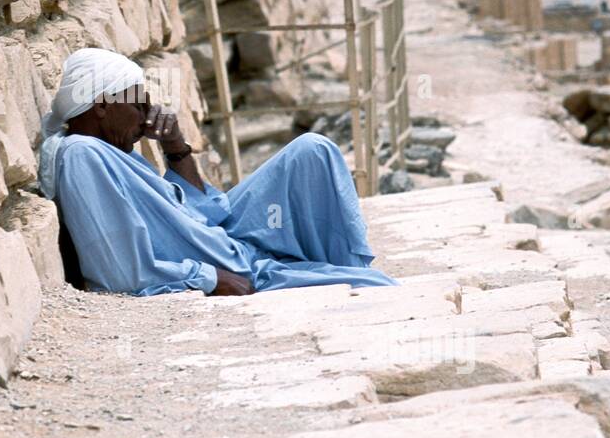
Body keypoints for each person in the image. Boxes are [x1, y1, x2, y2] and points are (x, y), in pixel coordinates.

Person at [38, 47, 398, 296]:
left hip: (220, 234)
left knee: (312, 151)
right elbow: (119, 271)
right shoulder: (84, 155)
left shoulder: (115, 150)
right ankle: (345, 273)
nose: (148, 114)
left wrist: (176, 148)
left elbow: (206, 210)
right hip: (224, 258)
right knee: (378, 287)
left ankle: (345, 265)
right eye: (140, 103)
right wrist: (208, 278)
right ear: (102, 106)